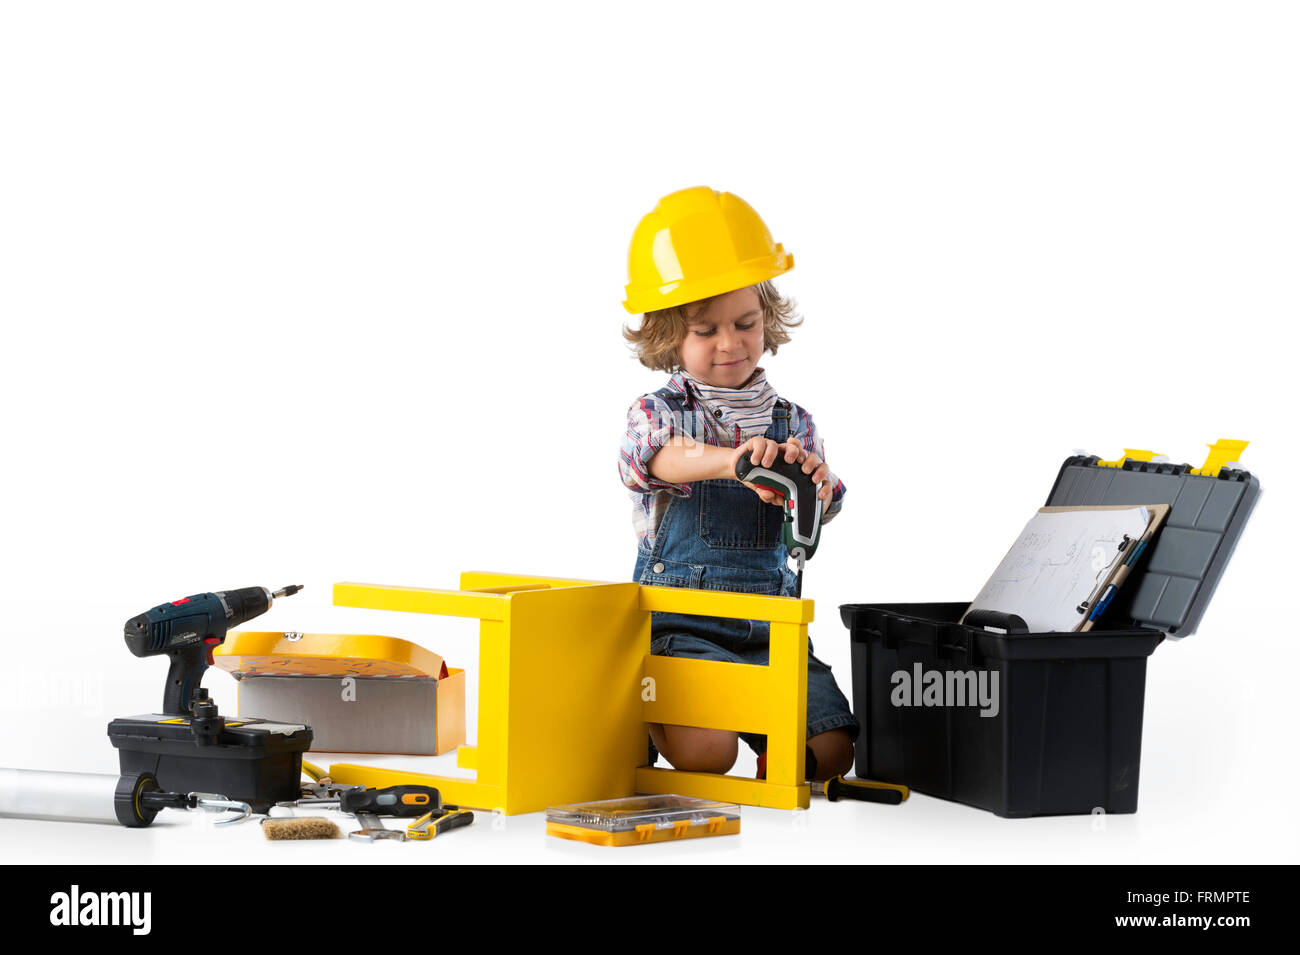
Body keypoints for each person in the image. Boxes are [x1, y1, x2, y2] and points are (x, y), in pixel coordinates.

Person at [618, 186, 856, 782]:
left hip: (772, 629)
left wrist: (814, 483)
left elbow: (822, 509)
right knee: (709, 756)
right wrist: (734, 464)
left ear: (767, 317)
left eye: (746, 323)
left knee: (828, 758)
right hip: (684, 625)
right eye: (706, 330)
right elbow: (652, 460)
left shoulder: (793, 420)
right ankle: (640, 710)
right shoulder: (661, 412)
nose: (731, 343)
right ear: (669, 336)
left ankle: (771, 749)